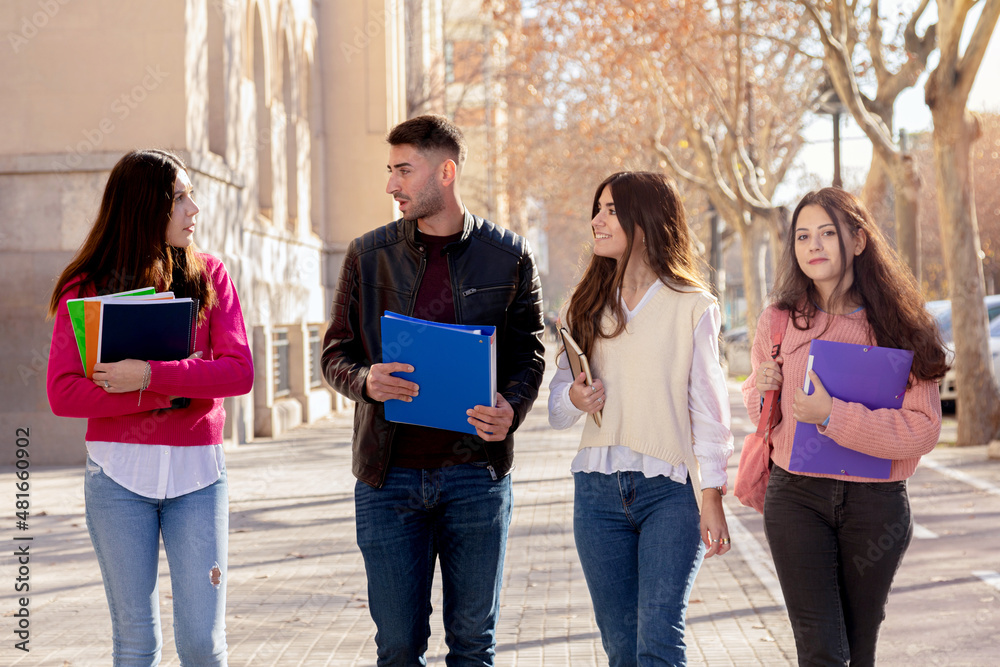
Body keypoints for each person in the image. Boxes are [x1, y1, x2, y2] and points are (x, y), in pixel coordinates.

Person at [321, 114, 545, 665]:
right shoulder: (367, 255)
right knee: (398, 647)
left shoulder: (509, 256)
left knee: (473, 645)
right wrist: (364, 380)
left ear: (445, 172)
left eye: (404, 170)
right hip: (387, 478)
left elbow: (530, 354)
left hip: (477, 476)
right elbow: (333, 354)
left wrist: (511, 409)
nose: (391, 184)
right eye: (389, 170)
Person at [46, 149, 254, 667]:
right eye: (180, 196)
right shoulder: (85, 286)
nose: (194, 208)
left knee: (203, 645)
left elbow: (238, 371)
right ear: (144, 207)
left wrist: (148, 376)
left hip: (199, 480)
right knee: (136, 647)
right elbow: (63, 392)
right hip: (117, 480)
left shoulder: (211, 276)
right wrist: (168, 390)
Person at [742, 187, 947, 666]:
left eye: (827, 234)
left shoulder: (901, 325)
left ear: (858, 241)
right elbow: (762, 413)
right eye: (803, 236)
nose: (813, 246)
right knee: (820, 648)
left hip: (876, 505)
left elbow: (924, 429)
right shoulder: (778, 321)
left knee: (858, 648)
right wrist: (762, 389)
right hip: (796, 496)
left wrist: (834, 417)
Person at [548, 171, 733, 666]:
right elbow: (557, 408)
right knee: (620, 647)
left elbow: (709, 409)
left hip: (671, 493)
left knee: (659, 639)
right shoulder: (583, 306)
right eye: (598, 208)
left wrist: (711, 494)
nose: (597, 220)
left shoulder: (694, 306)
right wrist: (577, 397)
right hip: (596, 492)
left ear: (646, 221)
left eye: (611, 210)